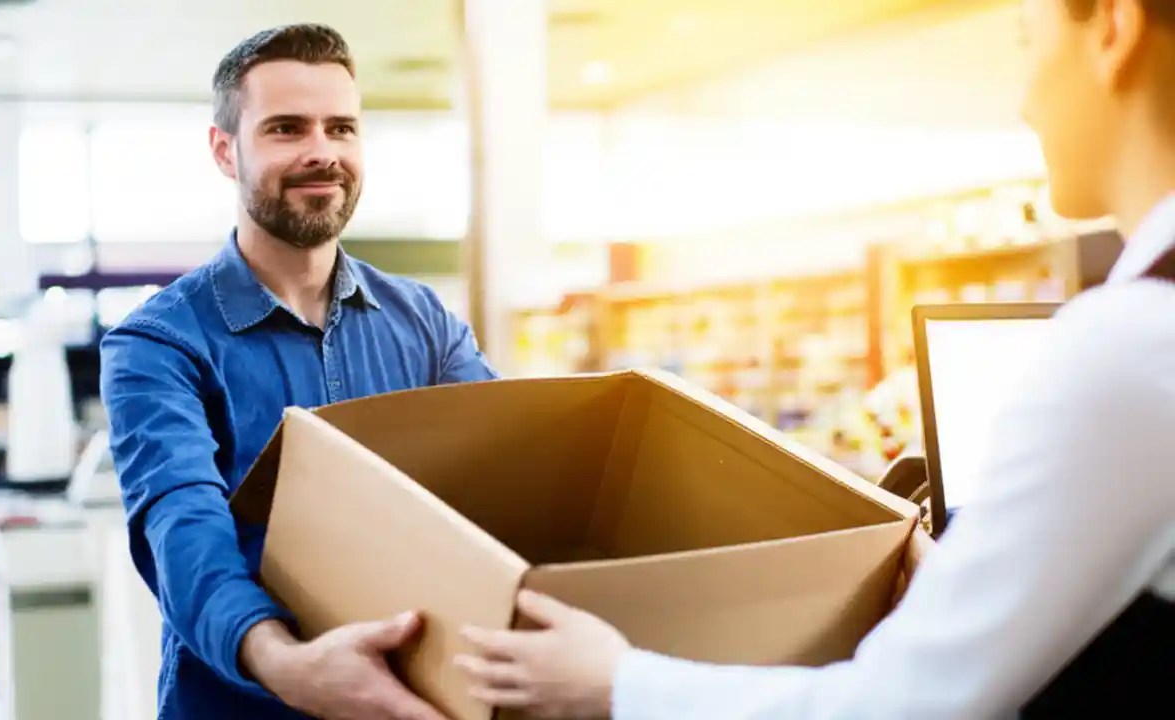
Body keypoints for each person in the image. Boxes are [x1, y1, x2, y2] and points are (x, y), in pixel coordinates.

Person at [455, 0, 1175, 717]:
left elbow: (905, 707)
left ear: (1113, 28)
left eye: (1028, 41)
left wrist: (613, 683)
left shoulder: (1131, 343)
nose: (1023, 102)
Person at [100, 24, 495, 720]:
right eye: (286, 129)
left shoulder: (425, 323)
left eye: (341, 128)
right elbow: (183, 528)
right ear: (226, 151)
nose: (322, 152)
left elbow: (509, 476)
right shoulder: (158, 344)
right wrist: (289, 666)